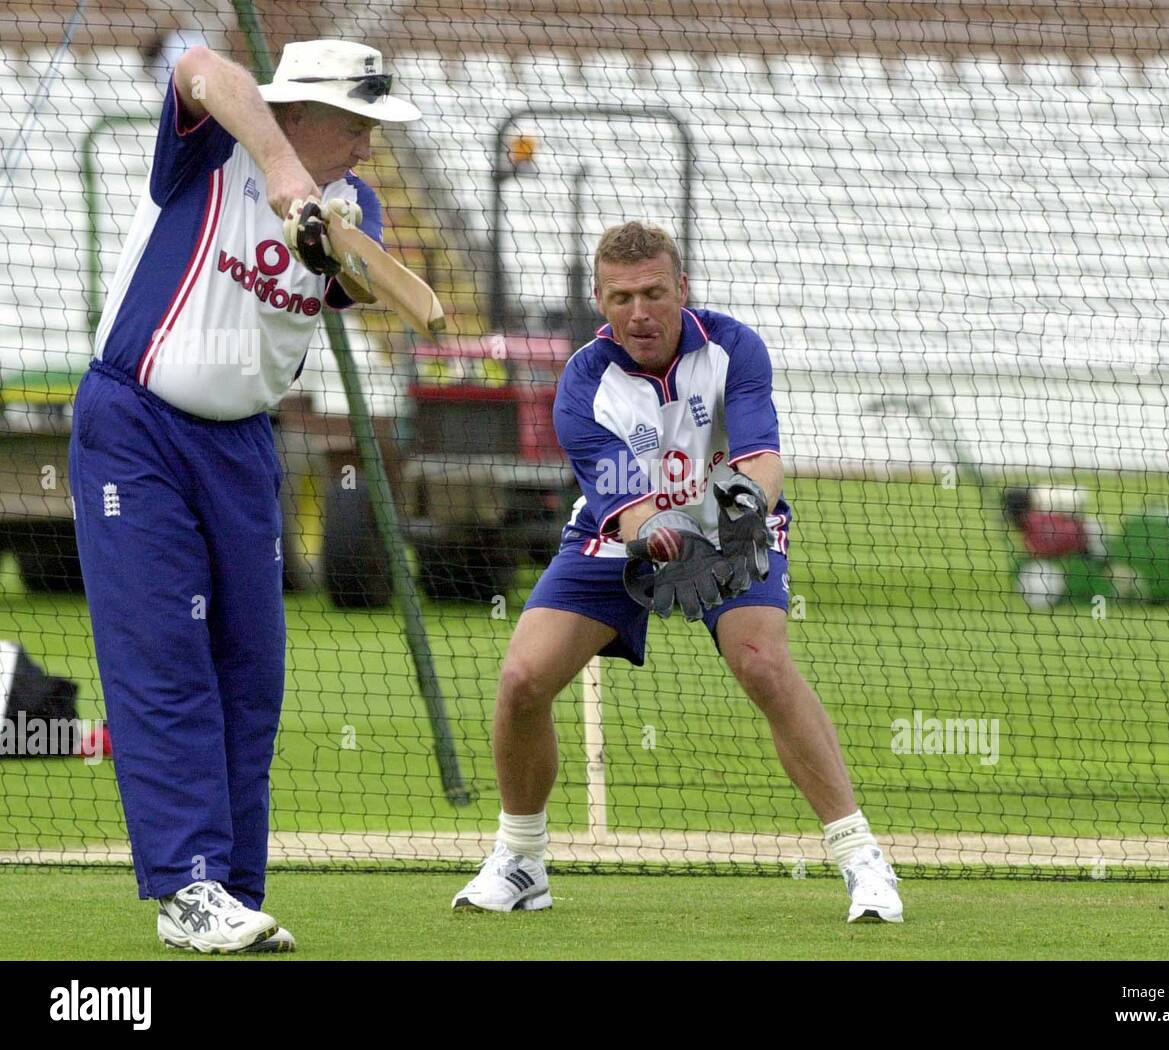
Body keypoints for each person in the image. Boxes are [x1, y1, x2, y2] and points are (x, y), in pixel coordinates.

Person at [68, 39, 420, 953]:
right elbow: (198, 64)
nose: (369, 146)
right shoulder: (212, 149)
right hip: (137, 427)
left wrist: (331, 234)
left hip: (242, 445)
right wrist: (279, 167)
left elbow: (377, 285)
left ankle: (233, 888)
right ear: (299, 112)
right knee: (164, 660)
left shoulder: (357, 202)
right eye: (355, 124)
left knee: (251, 668)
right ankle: (186, 887)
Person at [453, 222, 903, 924]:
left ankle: (862, 858)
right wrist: (670, 543)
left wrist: (730, 526)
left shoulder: (735, 348)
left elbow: (760, 461)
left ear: (682, 290)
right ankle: (521, 861)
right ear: (601, 301)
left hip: (733, 519)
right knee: (521, 680)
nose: (641, 311)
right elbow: (630, 516)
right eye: (623, 296)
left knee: (760, 663)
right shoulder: (580, 385)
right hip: (633, 534)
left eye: (655, 293)